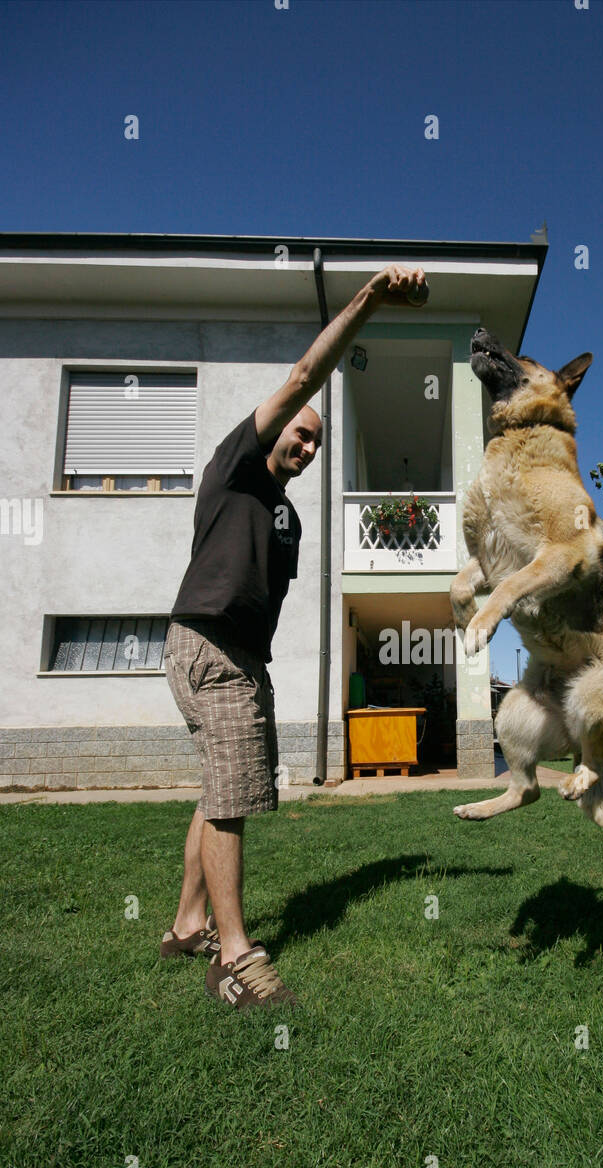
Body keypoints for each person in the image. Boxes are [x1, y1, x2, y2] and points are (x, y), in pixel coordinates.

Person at [160, 263, 427, 1009]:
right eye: (299, 433)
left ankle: (187, 923)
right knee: (233, 795)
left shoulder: (289, 517)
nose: (306, 448)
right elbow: (309, 371)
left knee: (224, 787)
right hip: (209, 646)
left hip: (243, 658)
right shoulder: (236, 466)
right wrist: (372, 297)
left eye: (315, 446)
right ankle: (234, 956)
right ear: (273, 425)